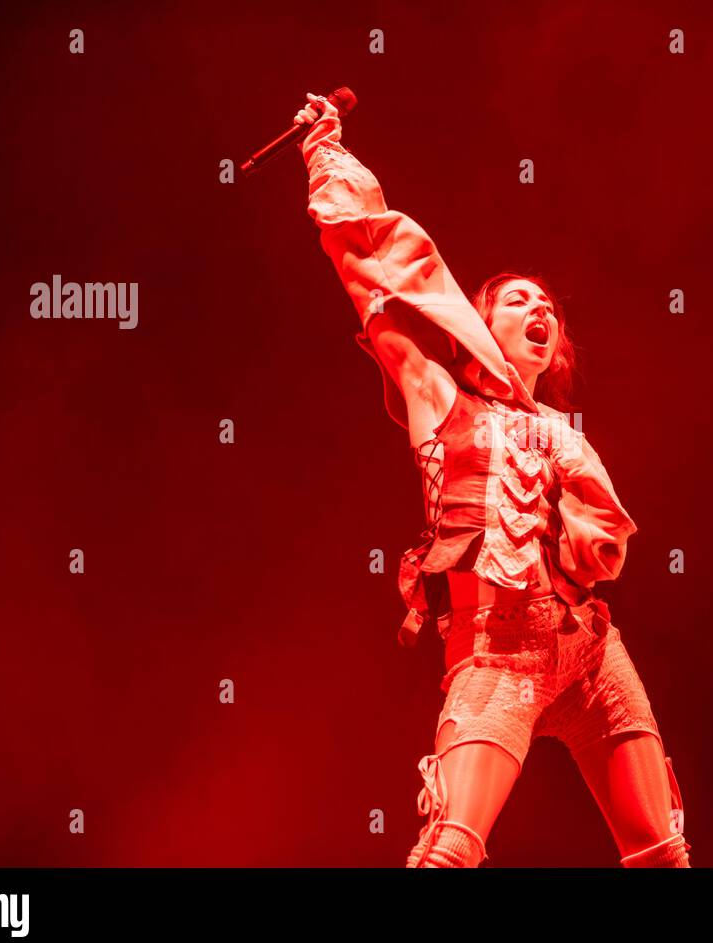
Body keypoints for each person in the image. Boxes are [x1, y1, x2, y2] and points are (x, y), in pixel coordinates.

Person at [295, 93, 690, 868]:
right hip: (494, 655)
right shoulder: (440, 395)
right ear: (482, 322)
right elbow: (377, 272)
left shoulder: (562, 437)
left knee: (662, 853)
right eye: (517, 300)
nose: (539, 309)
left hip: (589, 651)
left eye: (549, 306)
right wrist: (324, 153)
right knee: (450, 850)